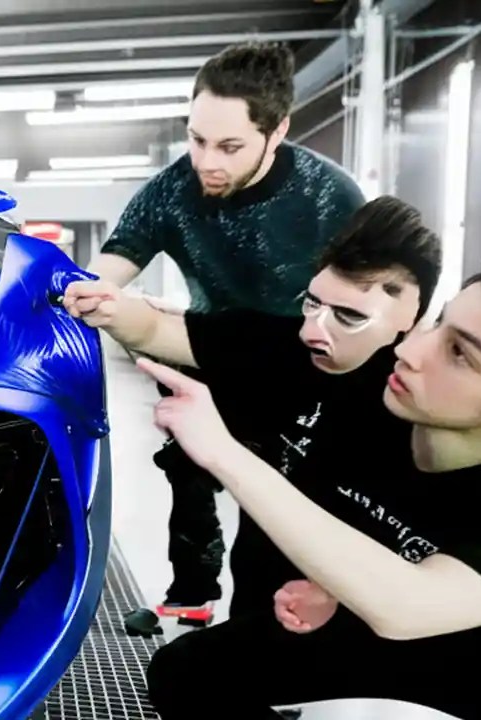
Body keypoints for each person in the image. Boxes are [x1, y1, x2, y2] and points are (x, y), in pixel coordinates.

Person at [134, 249, 481, 718]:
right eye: (440, 323)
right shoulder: (368, 393)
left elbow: (407, 605)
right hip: (349, 621)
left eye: (459, 353)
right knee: (185, 672)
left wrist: (224, 453)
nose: (409, 351)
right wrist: (334, 588)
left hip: (462, 633)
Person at [88, 40, 366, 627]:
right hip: (207, 354)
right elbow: (114, 264)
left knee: (277, 511)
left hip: (297, 368)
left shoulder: (329, 198)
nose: (207, 160)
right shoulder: (173, 188)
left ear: (278, 129)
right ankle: (191, 597)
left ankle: (265, 647)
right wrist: (84, 295)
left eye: (230, 146)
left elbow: (365, 307)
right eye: (196, 139)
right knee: (187, 478)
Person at [65, 195, 441, 621]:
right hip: (256, 612)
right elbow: (159, 328)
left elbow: (438, 564)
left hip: (366, 635)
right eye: (313, 303)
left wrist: (342, 591)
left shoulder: (425, 412)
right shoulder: (277, 347)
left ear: (411, 314)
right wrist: (111, 309)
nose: (313, 330)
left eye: (349, 317)